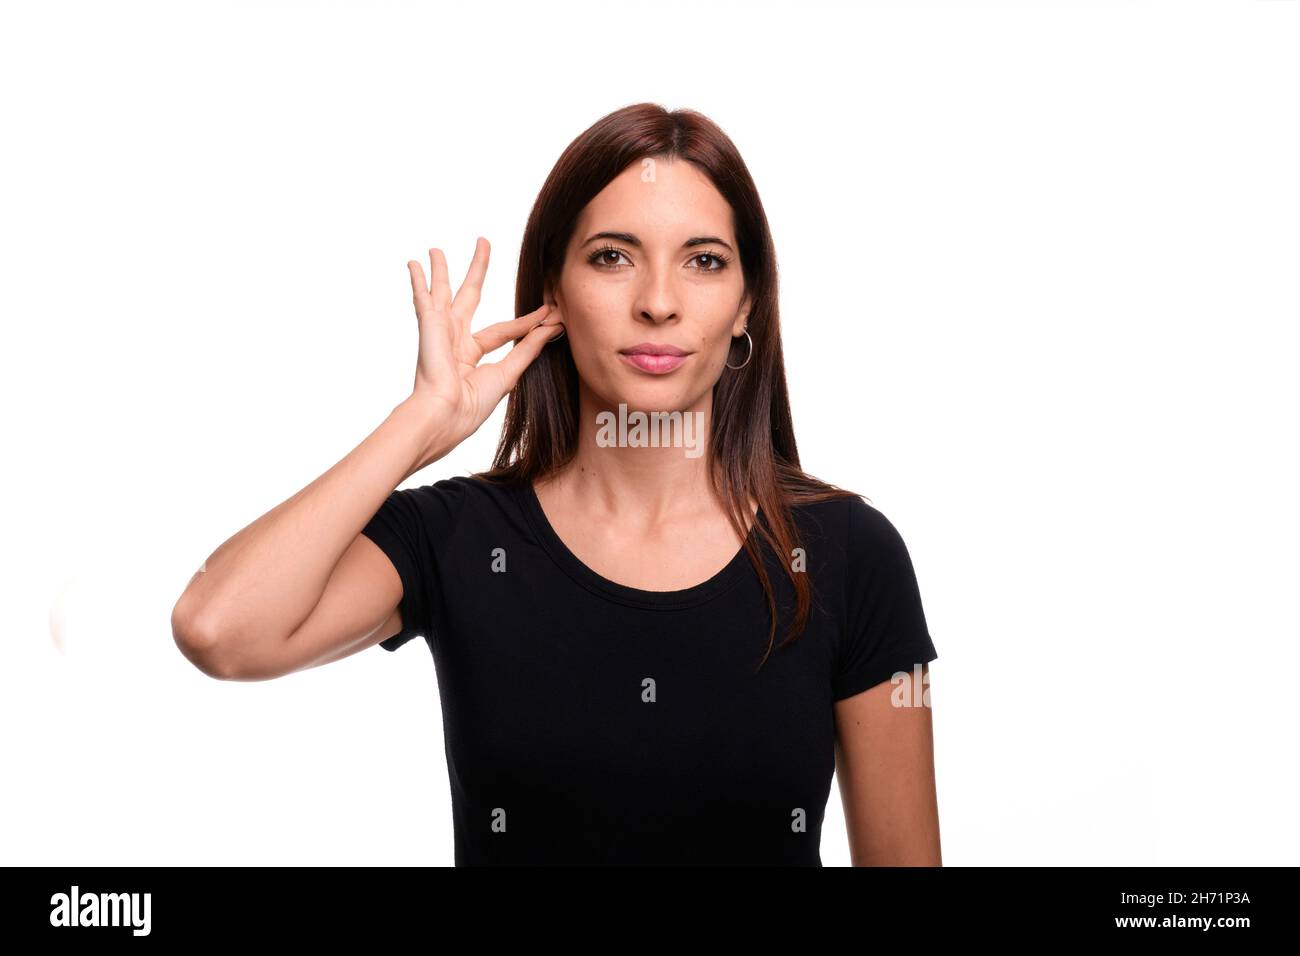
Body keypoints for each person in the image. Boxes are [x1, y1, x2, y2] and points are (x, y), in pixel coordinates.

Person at [171, 102, 941, 867]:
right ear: (554, 293)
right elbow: (219, 629)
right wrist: (422, 422)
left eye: (704, 260)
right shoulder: (461, 538)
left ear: (746, 304)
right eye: (613, 256)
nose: (658, 302)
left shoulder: (847, 553)